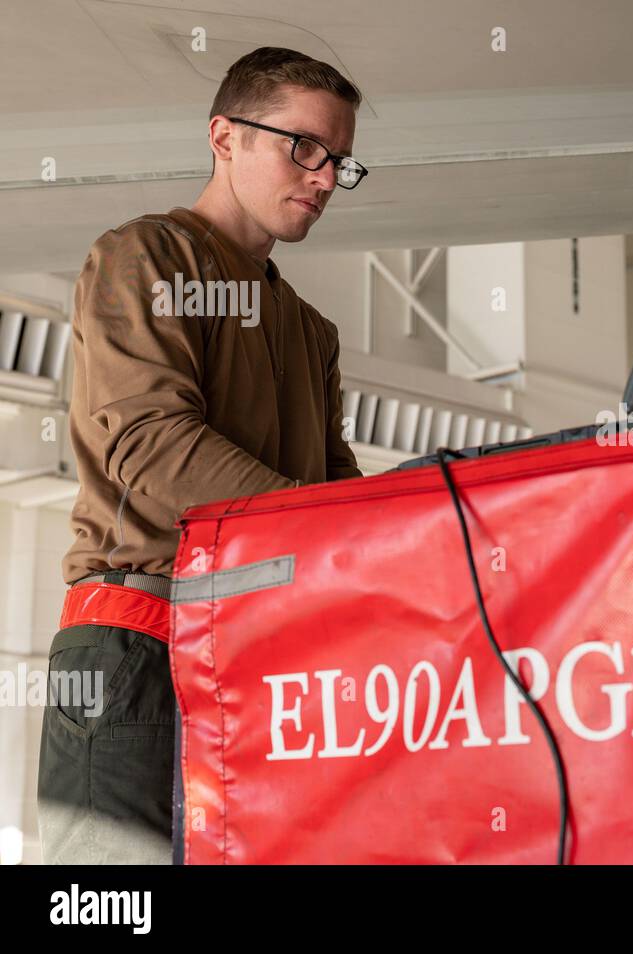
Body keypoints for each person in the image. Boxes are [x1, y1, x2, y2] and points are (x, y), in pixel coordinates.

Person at [37, 46, 367, 863]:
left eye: (340, 161)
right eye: (303, 148)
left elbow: (338, 492)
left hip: (257, 653)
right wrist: (319, 529)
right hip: (137, 646)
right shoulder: (142, 257)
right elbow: (150, 445)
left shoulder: (310, 332)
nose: (324, 178)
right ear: (224, 137)